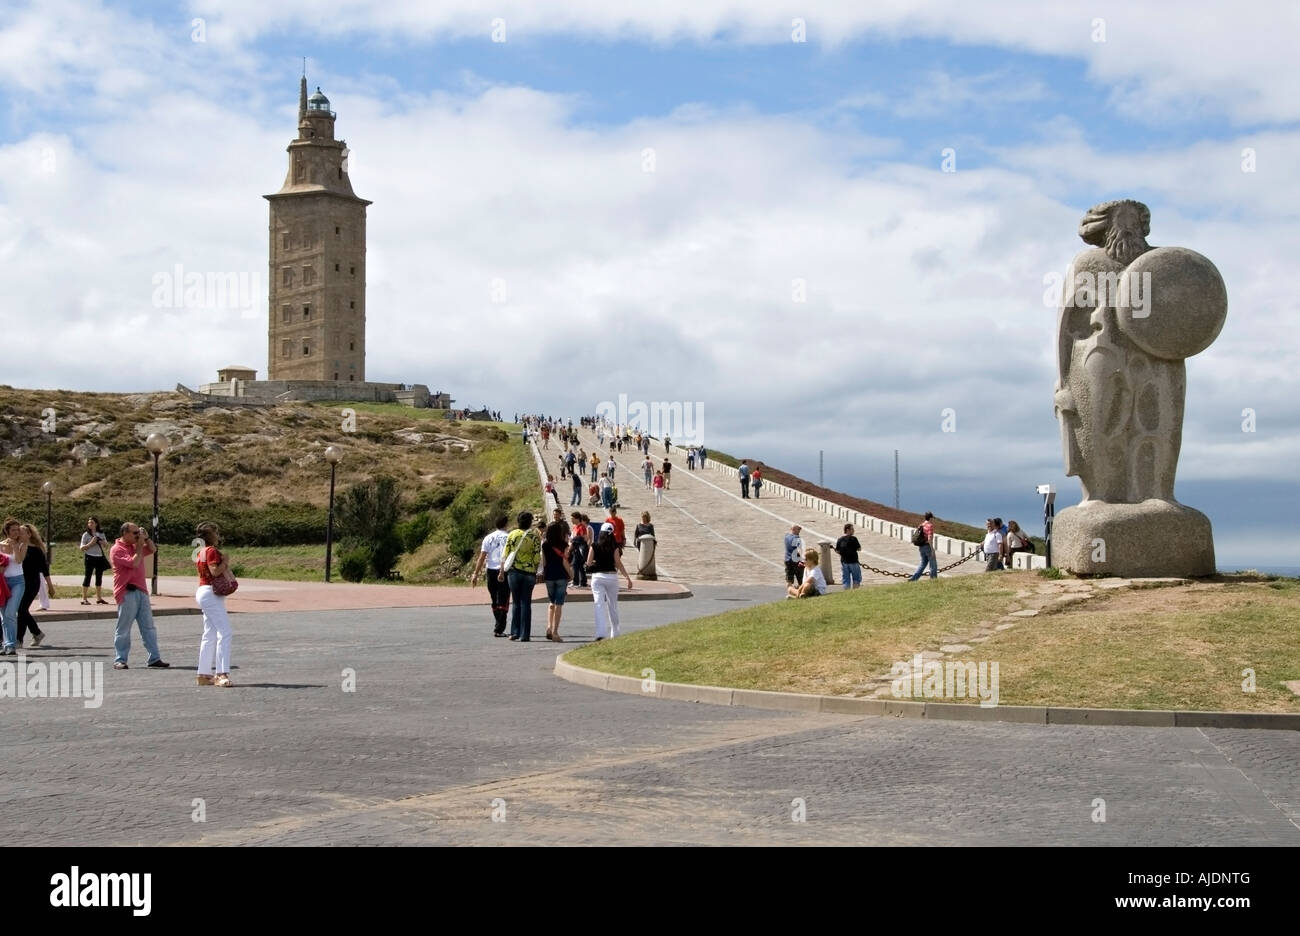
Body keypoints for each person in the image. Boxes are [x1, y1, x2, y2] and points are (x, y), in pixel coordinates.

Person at [110, 522, 169, 669]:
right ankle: (120, 659)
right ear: (125, 533)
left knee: (148, 627)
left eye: (139, 532)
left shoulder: (136, 545)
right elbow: (134, 563)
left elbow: (153, 549)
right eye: (135, 533)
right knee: (124, 628)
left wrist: (147, 539)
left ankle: (154, 658)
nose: (138, 535)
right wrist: (139, 545)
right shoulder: (117, 549)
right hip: (126, 592)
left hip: (141, 591)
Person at [193, 522, 234, 687]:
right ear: (210, 535)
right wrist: (225, 562)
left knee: (209, 633)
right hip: (210, 592)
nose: (218, 535)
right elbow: (215, 571)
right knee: (225, 632)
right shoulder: (211, 551)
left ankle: (203, 674)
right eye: (215, 532)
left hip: (203, 590)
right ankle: (221, 673)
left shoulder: (201, 551)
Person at [500, 512, 542, 641]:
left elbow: (505, 554)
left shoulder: (512, 534)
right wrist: (536, 570)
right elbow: (537, 557)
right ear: (530, 522)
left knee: (516, 602)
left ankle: (515, 632)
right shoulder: (535, 536)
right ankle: (525, 634)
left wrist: (501, 572)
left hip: (514, 572)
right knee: (526, 602)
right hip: (529, 572)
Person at [587, 527, 633, 640]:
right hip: (611, 577)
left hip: (598, 577)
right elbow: (618, 563)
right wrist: (627, 578)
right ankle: (615, 633)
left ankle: (601, 633)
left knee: (599, 604)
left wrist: (596, 562)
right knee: (612, 605)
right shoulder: (615, 547)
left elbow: (588, 563)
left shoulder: (594, 546)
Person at [469, 516, 512, 637]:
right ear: (506, 524)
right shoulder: (509, 537)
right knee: (503, 599)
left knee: (494, 599)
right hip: (503, 569)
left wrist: (475, 573)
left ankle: (498, 624)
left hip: (491, 570)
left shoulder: (488, 538)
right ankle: (499, 628)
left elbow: (482, 557)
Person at [17, 524, 54, 648]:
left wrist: (50, 586)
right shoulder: (17, 548)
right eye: (19, 532)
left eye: (22, 532)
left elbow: (45, 570)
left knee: (21, 609)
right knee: (22, 610)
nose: (19, 534)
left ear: (29, 534)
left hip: (32, 583)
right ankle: (36, 633)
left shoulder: (36, 550)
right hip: (20, 582)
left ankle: (19, 640)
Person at [0, 519, 30, 654]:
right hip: (3, 582)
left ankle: (11, 645)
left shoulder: (22, 544)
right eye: (13, 530)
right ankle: (6, 644)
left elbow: (18, 560)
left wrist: (14, 547)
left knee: (10, 613)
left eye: (18, 529)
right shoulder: (0, 545)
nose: (16, 532)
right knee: (3, 615)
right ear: (7, 531)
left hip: (18, 582)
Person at [542, 521, 572, 642]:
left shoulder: (545, 545)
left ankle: (549, 627)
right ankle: (555, 632)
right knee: (559, 604)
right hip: (561, 575)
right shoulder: (564, 544)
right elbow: (565, 562)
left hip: (549, 575)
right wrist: (571, 574)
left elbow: (544, 562)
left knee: (551, 602)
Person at [79, 516, 111, 604]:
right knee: (87, 576)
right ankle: (84, 598)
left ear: (96, 524)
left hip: (99, 557)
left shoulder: (101, 533)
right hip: (89, 557)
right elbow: (81, 548)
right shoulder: (86, 534)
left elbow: (106, 545)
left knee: (99, 576)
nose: (90, 524)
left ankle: (99, 598)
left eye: (92, 522)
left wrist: (100, 541)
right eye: (89, 523)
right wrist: (91, 543)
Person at [909, 511, 939, 581]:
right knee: (933, 564)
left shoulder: (921, 525)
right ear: (931, 518)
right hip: (927, 546)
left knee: (922, 564)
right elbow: (929, 538)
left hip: (921, 547)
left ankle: (914, 579)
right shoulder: (930, 525)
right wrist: (932, 549)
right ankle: (933, 579)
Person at [834, 523, 862, 590]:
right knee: (856, 578)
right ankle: (856, 590)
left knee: (846, 579)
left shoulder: (840, 539)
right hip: (853, 561)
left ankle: (847, 591)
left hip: (844, 562)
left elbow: (837, 550)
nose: (853, 530)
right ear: (848, 530)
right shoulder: (854, 539)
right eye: (852, 529)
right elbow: (859, 548)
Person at [569, 512, 589, 587]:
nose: (571, 520)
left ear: (577, 519)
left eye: (572, 518)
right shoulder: (574, 527)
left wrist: (575, 541)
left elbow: (585, 538)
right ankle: (582, 581)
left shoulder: (581, 527)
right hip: (575, 549)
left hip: (579, 549)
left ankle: (576, 581)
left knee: (575, 564)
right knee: (579, 565)